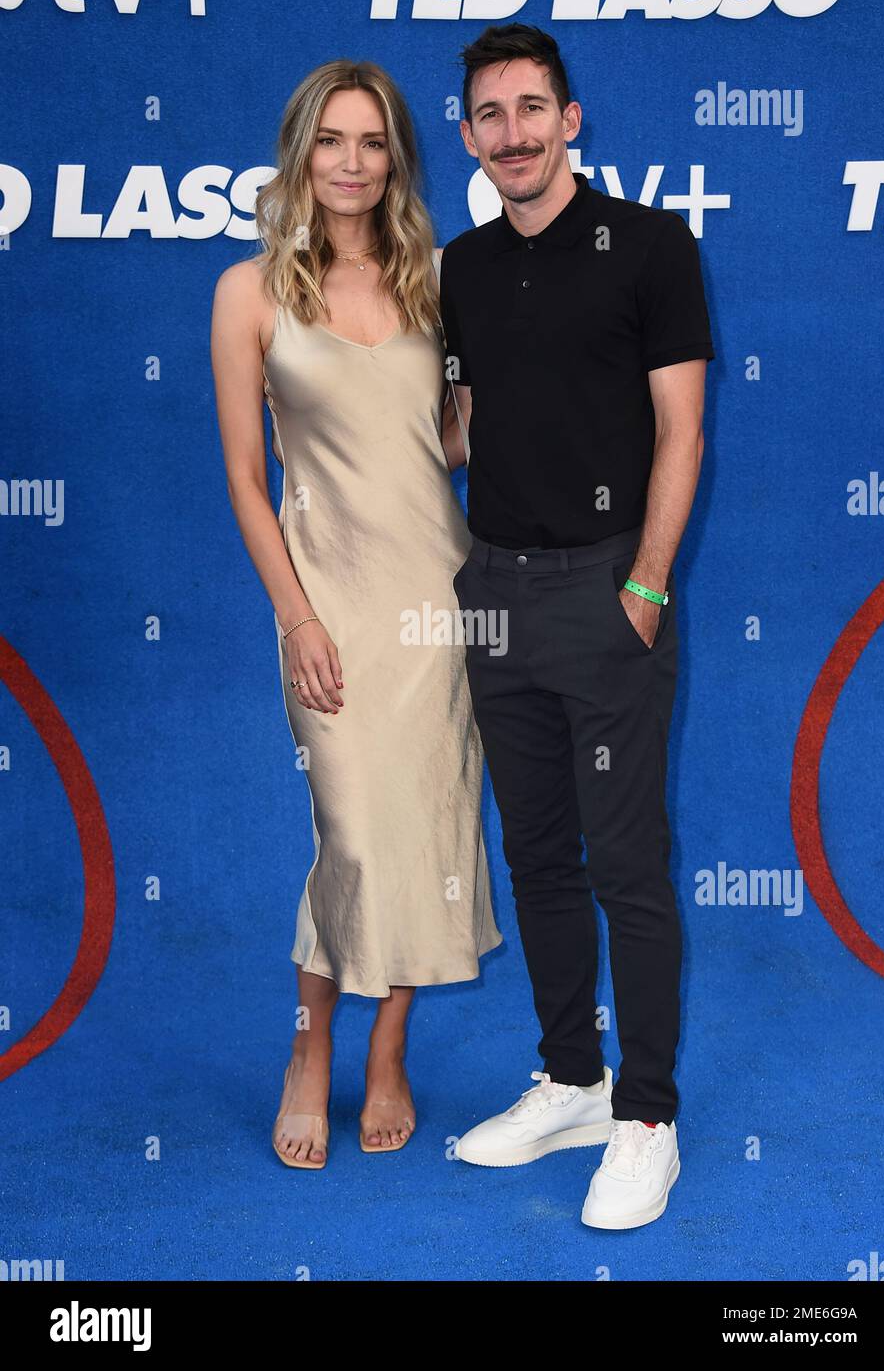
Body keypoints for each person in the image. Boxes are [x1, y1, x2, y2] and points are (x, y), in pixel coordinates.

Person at [439, 24, 715, 1228]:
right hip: (491, 593)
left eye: (530, 108)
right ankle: (572, 1078)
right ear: (468, 135)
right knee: (536, 854)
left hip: (609, 590)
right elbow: (456, 430)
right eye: (489, 114)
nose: (512, 132)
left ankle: (646, 1116)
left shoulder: (651, 246)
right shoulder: (459, 264)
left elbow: (681, 431)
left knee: (627, 864)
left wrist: (646, 583)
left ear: (572, 118)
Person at [210, 60, 502, 1170]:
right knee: (352, 837)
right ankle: (309, 1044)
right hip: (328, 603)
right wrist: (296, 617)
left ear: (395, 159)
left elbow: (447, 441)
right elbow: (245, 475)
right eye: (329, 139)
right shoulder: (249, 294)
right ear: (300, 151)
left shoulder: (435, 276)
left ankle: (385, 1053)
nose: (349, 161)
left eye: (371, 141)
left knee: (426, 833)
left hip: (440, 603)